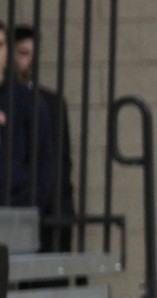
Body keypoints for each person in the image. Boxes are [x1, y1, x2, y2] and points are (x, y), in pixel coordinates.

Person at [12, 24, 75, 254]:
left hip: (51, 207)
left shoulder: (52, 102)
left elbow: (62, 158)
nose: (31, 61)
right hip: (15, 203)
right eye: (23, 53)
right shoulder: (10, 101)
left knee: (49, 278)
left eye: (34, 53)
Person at [0, 20, 55, 215]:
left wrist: (32, 208)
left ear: (7, 52)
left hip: (15, 209)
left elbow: (44, 158)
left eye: (0, 45)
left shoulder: (26, 99)